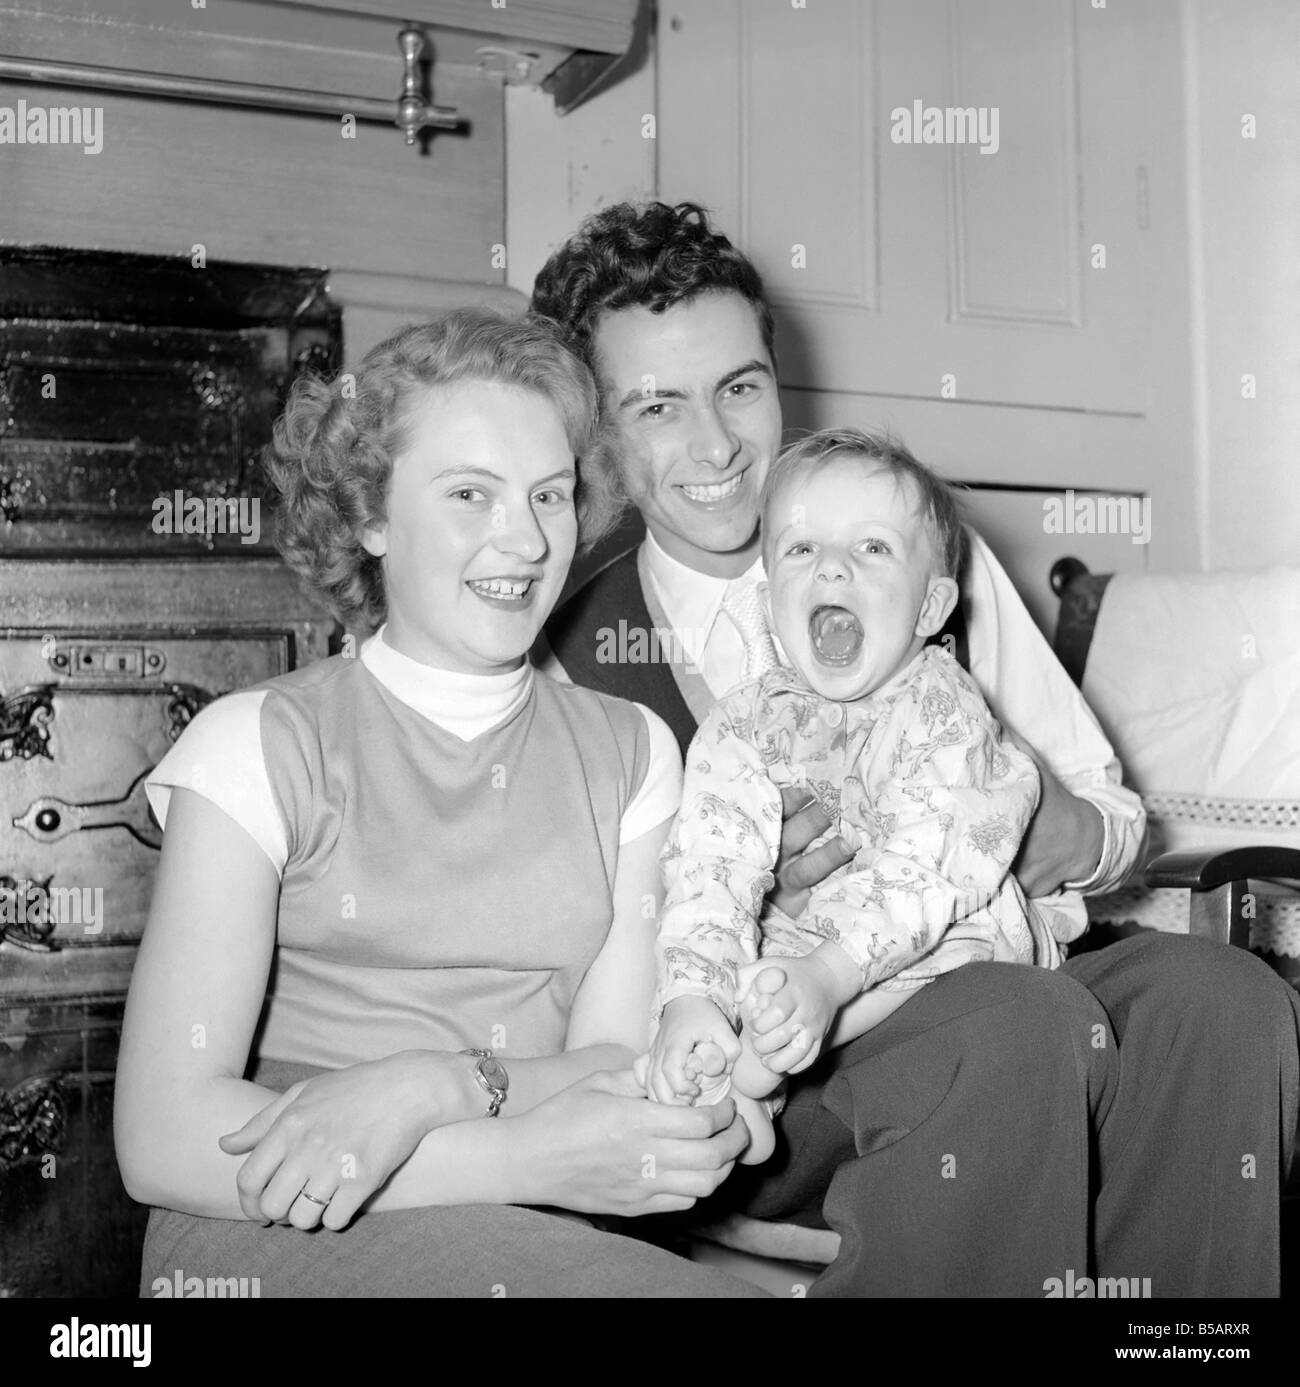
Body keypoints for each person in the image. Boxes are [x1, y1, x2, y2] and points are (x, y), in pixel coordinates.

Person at [533, 201, 1300, 1296]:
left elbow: (1114, 825)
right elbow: (575, 973)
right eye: (656, 405)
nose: (714, 446)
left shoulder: (928, 549)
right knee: (1014, 1030)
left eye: (740, 387)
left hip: (992, 952)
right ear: (593, 432)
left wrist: (1030, 824)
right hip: (767, 1063)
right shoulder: (568, 646)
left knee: (1224, 1002)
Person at [114, 309, 767, 1298]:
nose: (525, 537)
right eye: (471, 493)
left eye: (549, 496)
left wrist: (436, 1084)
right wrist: (517, 1156)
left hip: (537, 1233)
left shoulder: (633, 752)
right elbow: (162, 1137)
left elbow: (613, 1054)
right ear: (371, 514)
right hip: (274, 1221)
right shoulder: (255, 742)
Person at [644, 430, 1060, 1165]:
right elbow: (711, 867)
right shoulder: (744, 724)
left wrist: (829, 976)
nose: (831, 565)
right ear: (770, 598)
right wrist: (692, 996)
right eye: (801, 549)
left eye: (871, 548)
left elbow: (928, 870)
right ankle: (731, 1072)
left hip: (950, 942)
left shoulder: (942, 707)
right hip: (809, 955)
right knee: (735, 974)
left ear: (931, 605)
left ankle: (760, 1073)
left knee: (964, 947)